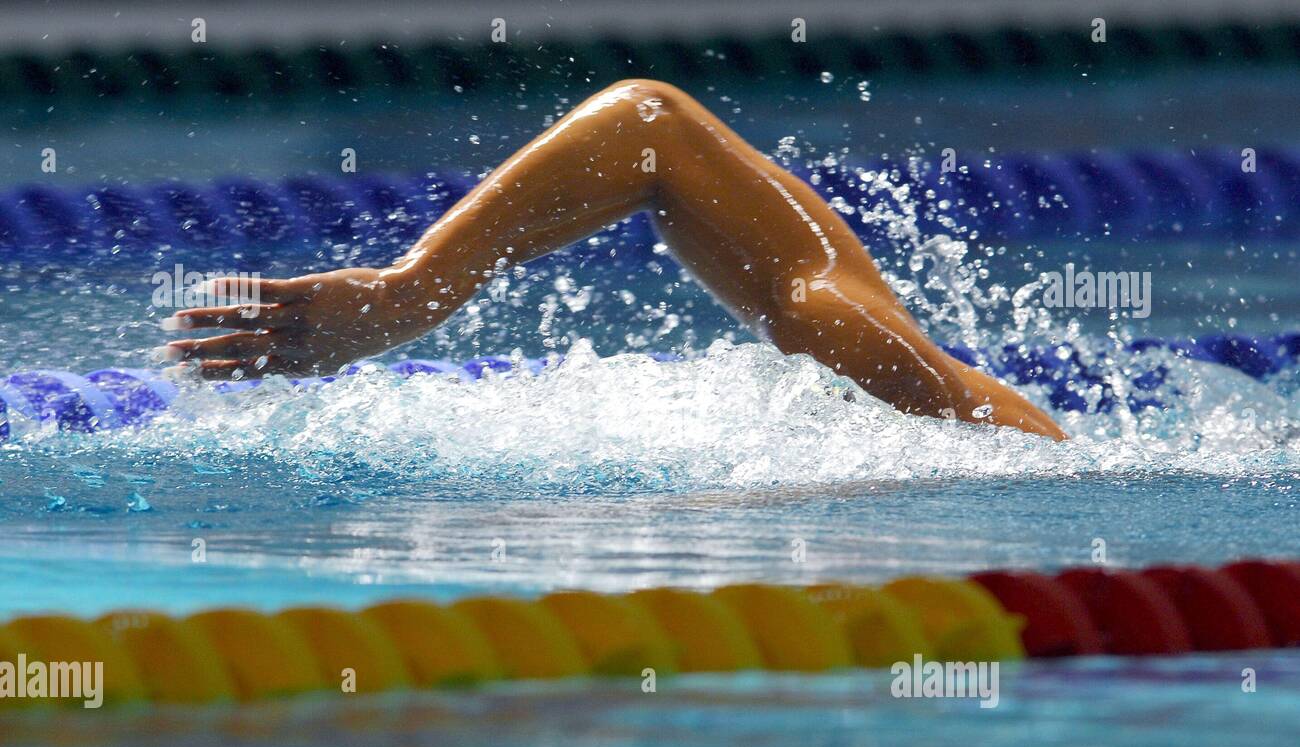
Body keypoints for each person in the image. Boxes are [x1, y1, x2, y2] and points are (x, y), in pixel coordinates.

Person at [156, 79, 1066, 440]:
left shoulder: (840, 331)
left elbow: (650, 123)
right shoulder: (835, 323)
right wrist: (416, 290)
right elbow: (648, 127)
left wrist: (416, 289)